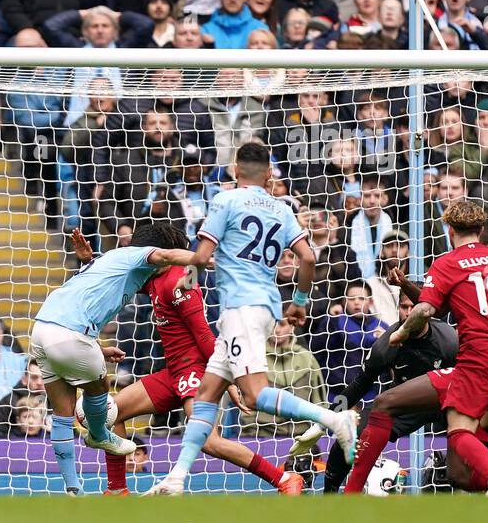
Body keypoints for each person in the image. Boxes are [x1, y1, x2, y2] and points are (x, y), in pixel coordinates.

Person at [145, 140, 360, 495]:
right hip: (264, 305)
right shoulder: (282, 209)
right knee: (206, 395)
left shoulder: (225, 200)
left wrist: (172, 259)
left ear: (235, 168)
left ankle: (335, 419)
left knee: (256, 393)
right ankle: (176, 479)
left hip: (240, 309)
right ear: (268, 174)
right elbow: (307, 258)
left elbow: (200, 258)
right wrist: (300, 302)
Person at [343, 198, 488, 495]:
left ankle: (351, 493)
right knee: (463, 467)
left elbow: (426, 311)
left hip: (475, 362)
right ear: (481, 230)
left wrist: (401, 332)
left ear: (448, 229)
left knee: (397, 408)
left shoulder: (448, 264)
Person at [68, 224, 303, 495]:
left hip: (197, 374)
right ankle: (118, 491)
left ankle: (284, 479)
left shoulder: (181, 283)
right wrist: (89, 260)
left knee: (209, 442)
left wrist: (227, 381)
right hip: (173, 373)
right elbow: (118, 275)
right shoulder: (153, 275)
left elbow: (204, 335)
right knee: (114, 412)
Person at [29, 219, 200, 494]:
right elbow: (167, 255)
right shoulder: (138, 255)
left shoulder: (112, 262)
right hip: (71, 334)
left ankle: (73, 490)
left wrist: (97, 348)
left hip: (42, 329)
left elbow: (87, 300)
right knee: (100, 387)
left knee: (62, 415)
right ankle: (98, 435)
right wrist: (207, 259)